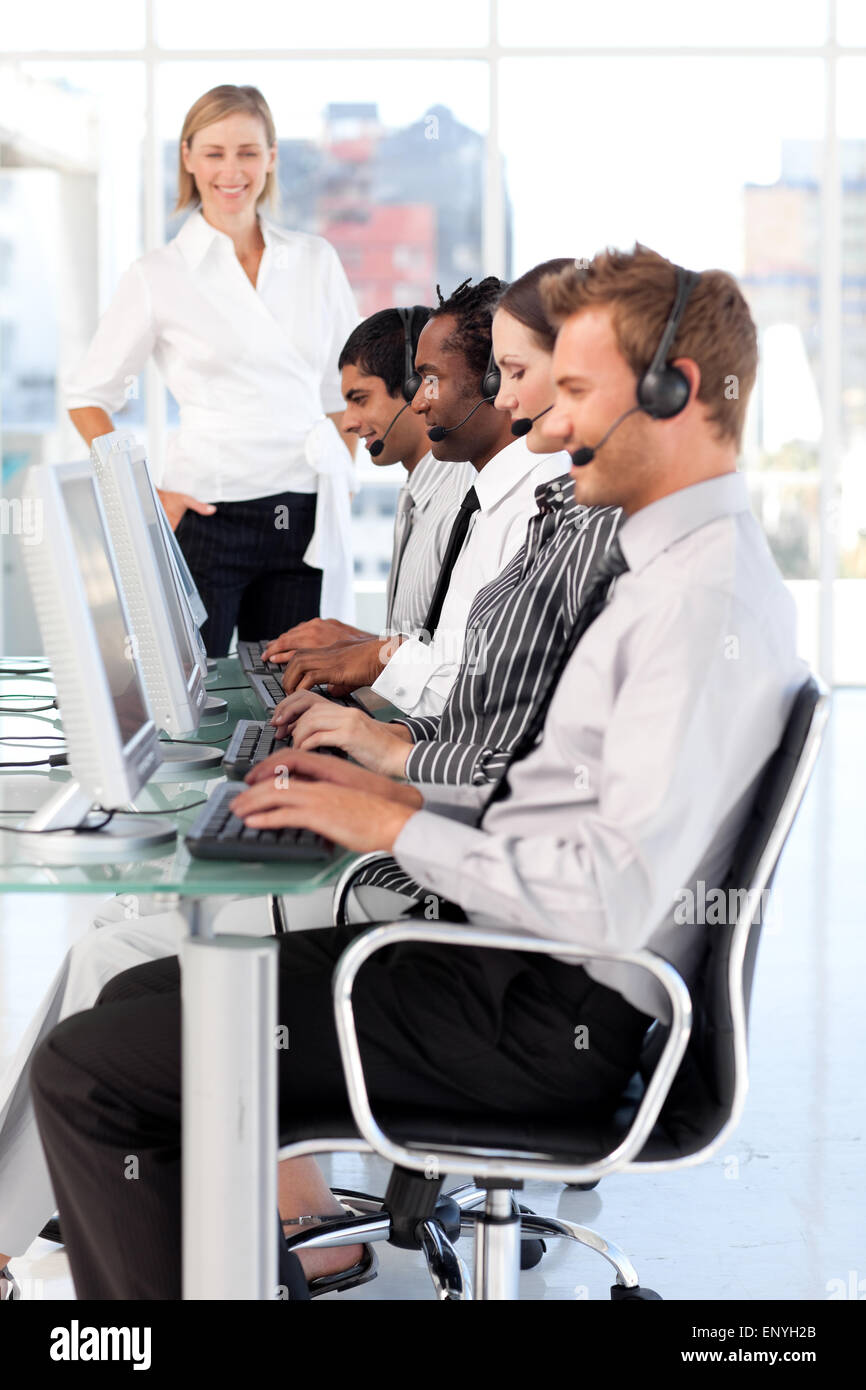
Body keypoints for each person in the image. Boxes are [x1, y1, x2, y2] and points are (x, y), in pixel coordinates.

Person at [29, 244, 806, 1301]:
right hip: (515, 973)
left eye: (571, 391)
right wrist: (382, 794)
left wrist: (390, 825)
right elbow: (559, 810)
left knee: (91, 1069)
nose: (550, 422)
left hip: (540, 1014)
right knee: (132, 998)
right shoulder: (665, 564)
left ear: (670, 392)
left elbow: (601, 892)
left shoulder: (693, 600)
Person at [65, 84, 360, 656]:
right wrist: (144, 498)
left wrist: (343, 476)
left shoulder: (315, 260)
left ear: (271, 157)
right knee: (188, 697)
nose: (232, 170)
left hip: (302, 513)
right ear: (188, 158)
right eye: (215, 152)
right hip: (206, 515)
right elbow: (87, 394)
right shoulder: (159, 274)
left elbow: (342, 386)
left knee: (284, 699)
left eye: (248, 151)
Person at [273, 277, 567, 713]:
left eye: (429, 379)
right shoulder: (482, 503)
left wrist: (378, 658)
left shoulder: (536, 509)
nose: (418, 403)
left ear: (494, 383)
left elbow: (497, 698)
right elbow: (456, 667)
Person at [261, 305, 474, 661]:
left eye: (360, 399)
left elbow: (462, 667)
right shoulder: (416, 492)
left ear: (413, 388)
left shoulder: (461, 502)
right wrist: (355, 643)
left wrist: (360, 652)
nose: (348, 423)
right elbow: (422, 647)